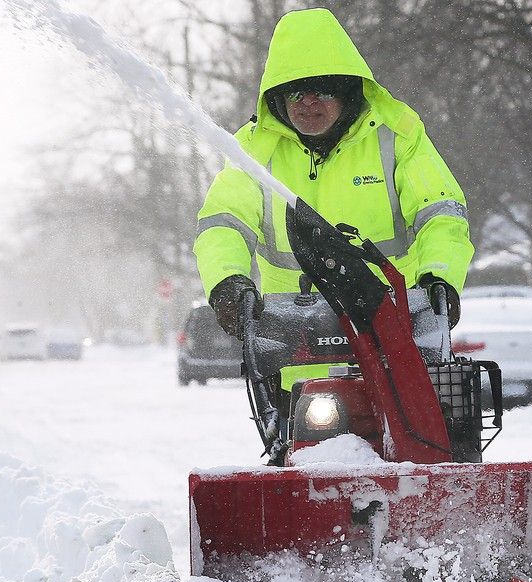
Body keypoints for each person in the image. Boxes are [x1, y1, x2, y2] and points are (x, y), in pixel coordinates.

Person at [193, 7, 474, 391]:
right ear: (277, 96)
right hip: (293, 349)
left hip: (397, 336)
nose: (308, 103)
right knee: (299, 445)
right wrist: (227, 281)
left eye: (322, 90)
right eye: (296, 91)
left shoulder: (398, 136)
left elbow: (440, 213)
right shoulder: (252, 151)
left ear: (345, 91)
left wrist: (440, 278)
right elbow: (224, 221)